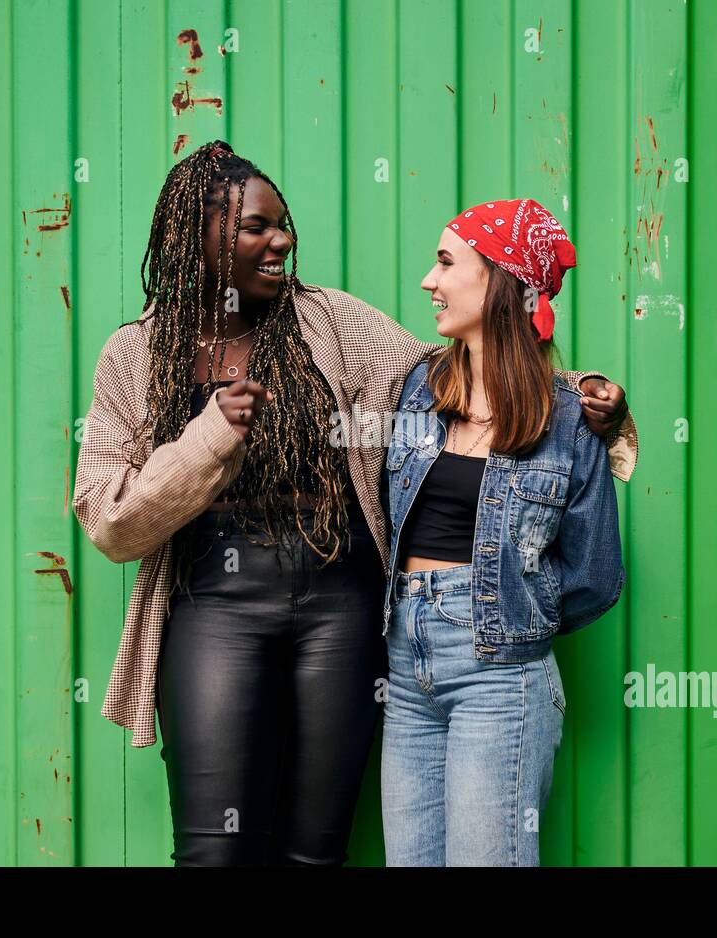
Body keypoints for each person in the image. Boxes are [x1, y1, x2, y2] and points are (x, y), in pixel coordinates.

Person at [72, 143, 637, 865]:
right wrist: (207, 438)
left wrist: (586, 397)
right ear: (199, 235)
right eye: (256, 227)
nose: (280, 240)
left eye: (284, 224)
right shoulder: (138, 354)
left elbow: (462, 375)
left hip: (342, 614)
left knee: (315, 852)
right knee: (215, 853)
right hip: (215, 610)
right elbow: (107, 519)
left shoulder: (330, 323)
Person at [380, 199, 625, 866]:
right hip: (404, 671)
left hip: (501, 677)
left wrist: (513, 612)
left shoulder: (571, 419)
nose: (429, 281)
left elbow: (596, 573)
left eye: (445, 262)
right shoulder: (417, 391)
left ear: (500, 282)